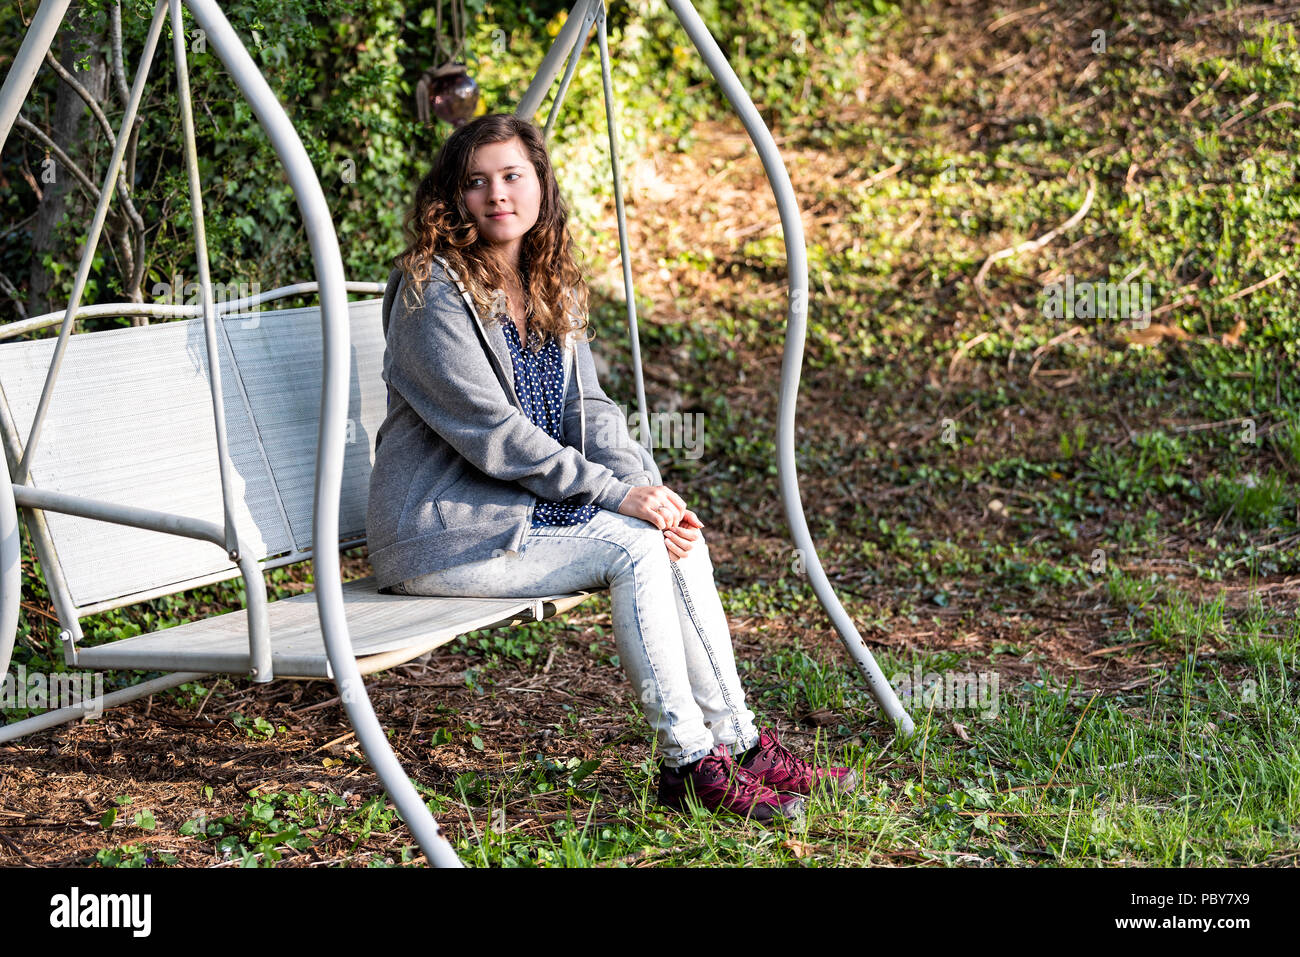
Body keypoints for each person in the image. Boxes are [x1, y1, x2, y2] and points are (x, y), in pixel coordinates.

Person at [366, 112, 858, 823]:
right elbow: (494, 434)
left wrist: (646, 488)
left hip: (520, 514)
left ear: (540, 185)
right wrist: (617, 497)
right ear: (454, 196)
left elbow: (590, 411)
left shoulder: (545, 280)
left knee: (672, 530)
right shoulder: (429, 289)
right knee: (632, 544)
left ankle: (739, 743)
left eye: (512, 176)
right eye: (476, 182)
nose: (496, 194)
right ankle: (687, 761)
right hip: (443, 530)